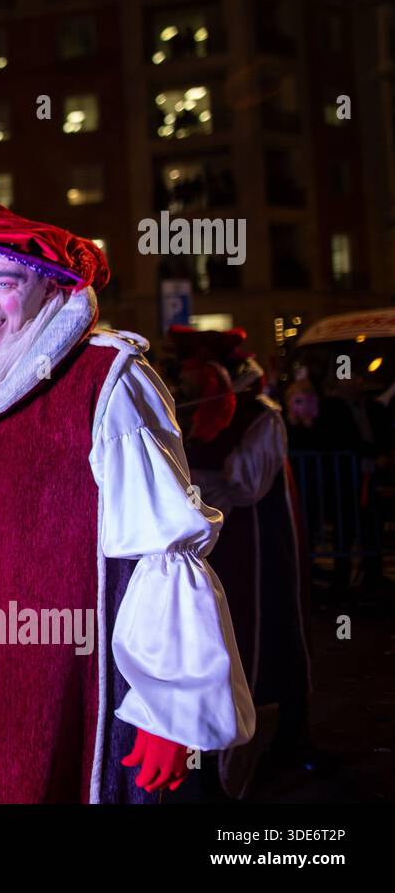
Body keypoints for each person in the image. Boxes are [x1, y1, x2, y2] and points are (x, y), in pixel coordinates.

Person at [0, 202, 253, 803]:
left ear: (50, 287)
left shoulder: (108, 380)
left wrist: (166, 709)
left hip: (64, 673)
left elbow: (164, 548)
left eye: (4, 281)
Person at [167, 325, 311, 798]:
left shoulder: (261, 415)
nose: (182, 387)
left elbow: (246, 485)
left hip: (252, 543)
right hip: (207, 545)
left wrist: (187, 487)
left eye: (190, 379)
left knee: (262, 633)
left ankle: (273, 733)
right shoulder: (184, 413)